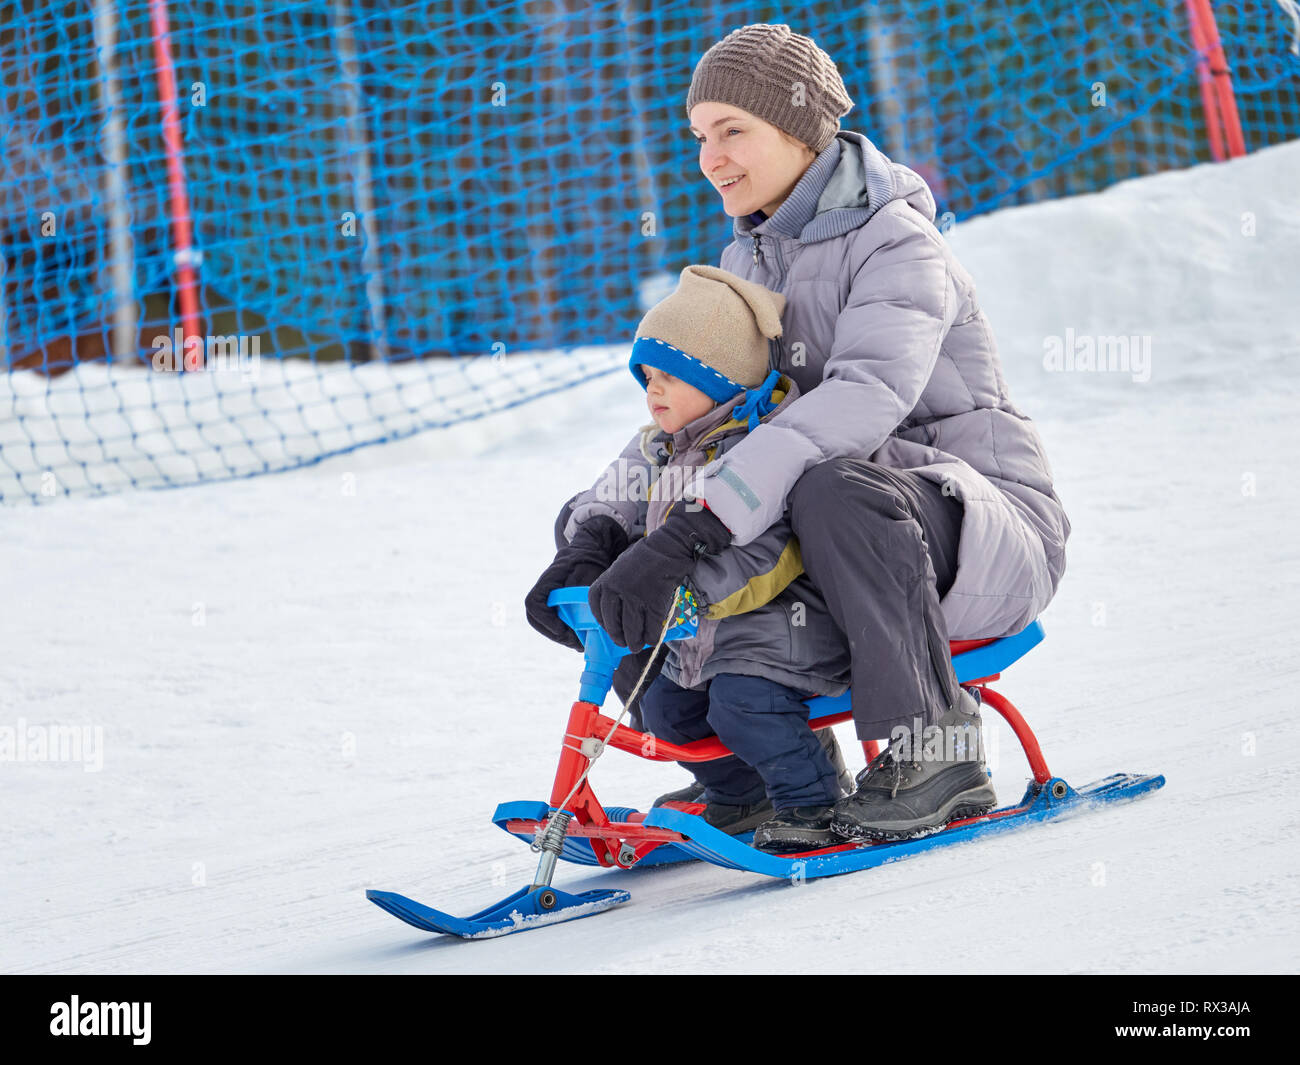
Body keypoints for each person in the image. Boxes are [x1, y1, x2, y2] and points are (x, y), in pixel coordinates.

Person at [535, 23, 1071, 844]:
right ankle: (755, 776)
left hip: (973, 527)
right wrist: (597, 530)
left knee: (826, 487)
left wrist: (702, 522)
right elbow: (687, 419)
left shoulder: (899, 243)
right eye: (700, 137)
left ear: (800, 130)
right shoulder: (746, 262)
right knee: (638, 520)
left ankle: (937, 748)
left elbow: (862, 399)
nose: (710, 158)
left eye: (732, 132)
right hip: (828, 529)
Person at [528, 264, 857, 852]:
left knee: (742, 703)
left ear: (724, 380)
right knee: (665, 709)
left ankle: (815, 801)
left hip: (779, 625)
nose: (653, 391)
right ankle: (742, 792)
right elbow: (612, 496)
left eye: (671, 377)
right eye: (646, 376)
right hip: (701, 633)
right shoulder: (661, 444)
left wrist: (685, 593)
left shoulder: (764, 448)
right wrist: (585, 547)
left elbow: (769, 555)